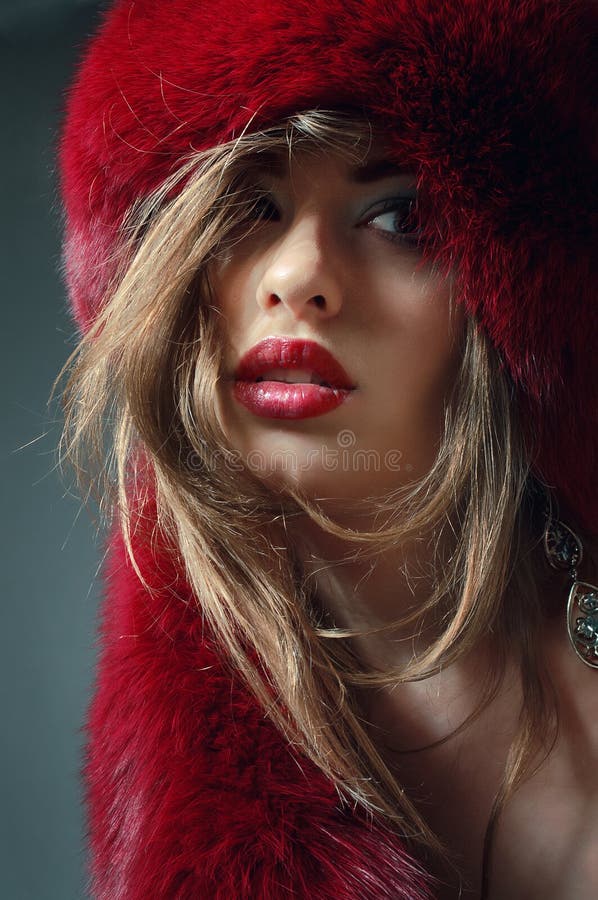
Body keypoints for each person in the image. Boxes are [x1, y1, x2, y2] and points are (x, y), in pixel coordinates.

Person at [56, 0, 598, 897]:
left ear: (520, 303)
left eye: (400, 218)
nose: (298, 277)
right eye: (248, 207)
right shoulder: (176, 750)